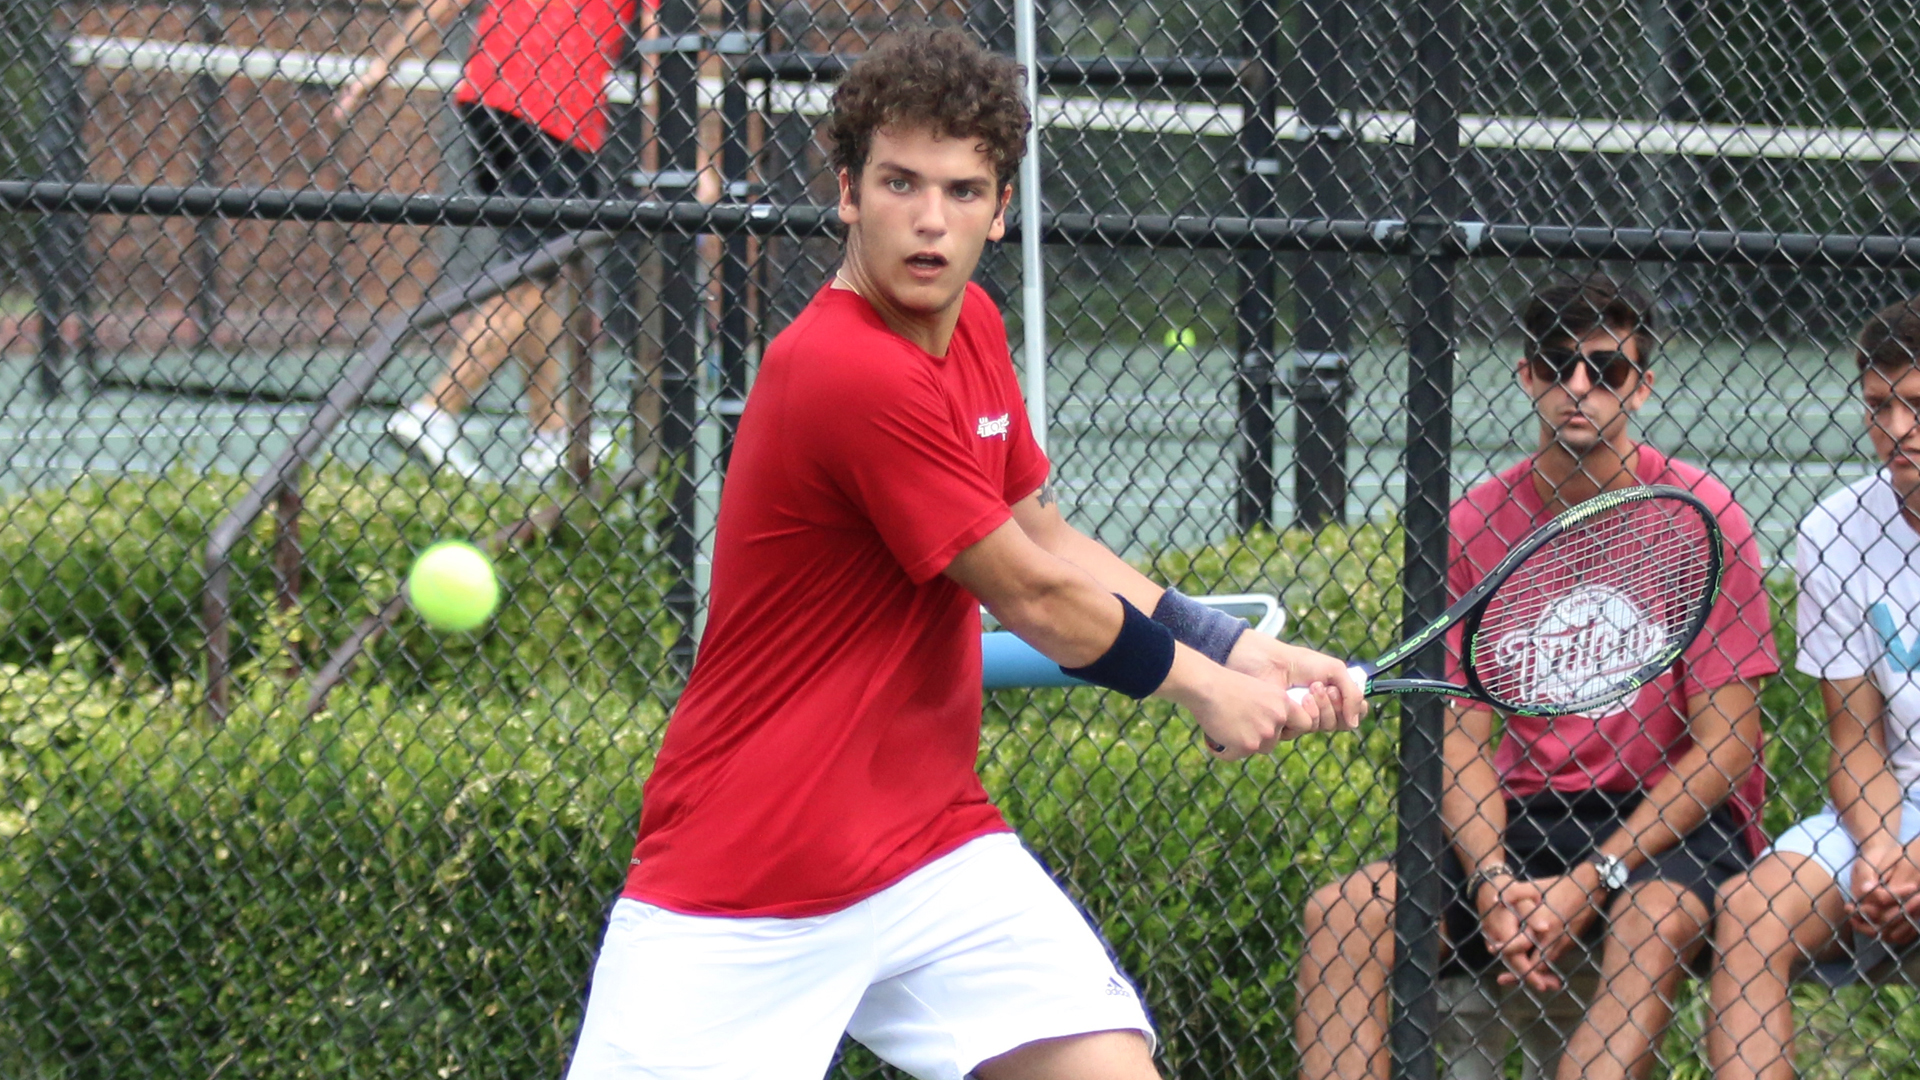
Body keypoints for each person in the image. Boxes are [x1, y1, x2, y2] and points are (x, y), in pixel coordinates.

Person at [561, 29, 1366, 1080]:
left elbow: (1044, 532)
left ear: (1002, 208)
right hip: (754, 870)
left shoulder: (972, 323)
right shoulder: (845, 371)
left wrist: (1228, 646)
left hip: (927, 843)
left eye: (963, 189)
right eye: (901, 183)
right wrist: (1202, 689)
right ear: (848, 193)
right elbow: (1029, 592)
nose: (931, 219)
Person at [1294, 273, 1779, 1080]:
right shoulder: (1473, 523)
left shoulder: (1703, 514)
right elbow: (1461, 737)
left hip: (1665, 824)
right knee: (1344, 916)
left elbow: (1728, 748)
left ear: (1643, 385)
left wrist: (1595, 879)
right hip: (1518, 821)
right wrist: (1490, 882)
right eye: (1556, 367)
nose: (1578, 388)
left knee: (1649, 923)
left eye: (1606, 369)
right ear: (1526, 378)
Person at [1708, 295, 1920, 1080]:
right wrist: (1881, 854)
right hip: (1888, 811)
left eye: (1917, 406)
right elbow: (1856, 739)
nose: (1896, 430)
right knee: (1749, 911)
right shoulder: (1835, 528)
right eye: (1878, 407)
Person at [334, 0, 647, 479]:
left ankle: (549, 432)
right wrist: (698, 158)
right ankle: (436, 409)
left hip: (486, 101)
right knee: (531, 277)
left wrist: (382, 66)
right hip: (554, 113)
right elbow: (671, 51)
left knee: (543, 270)